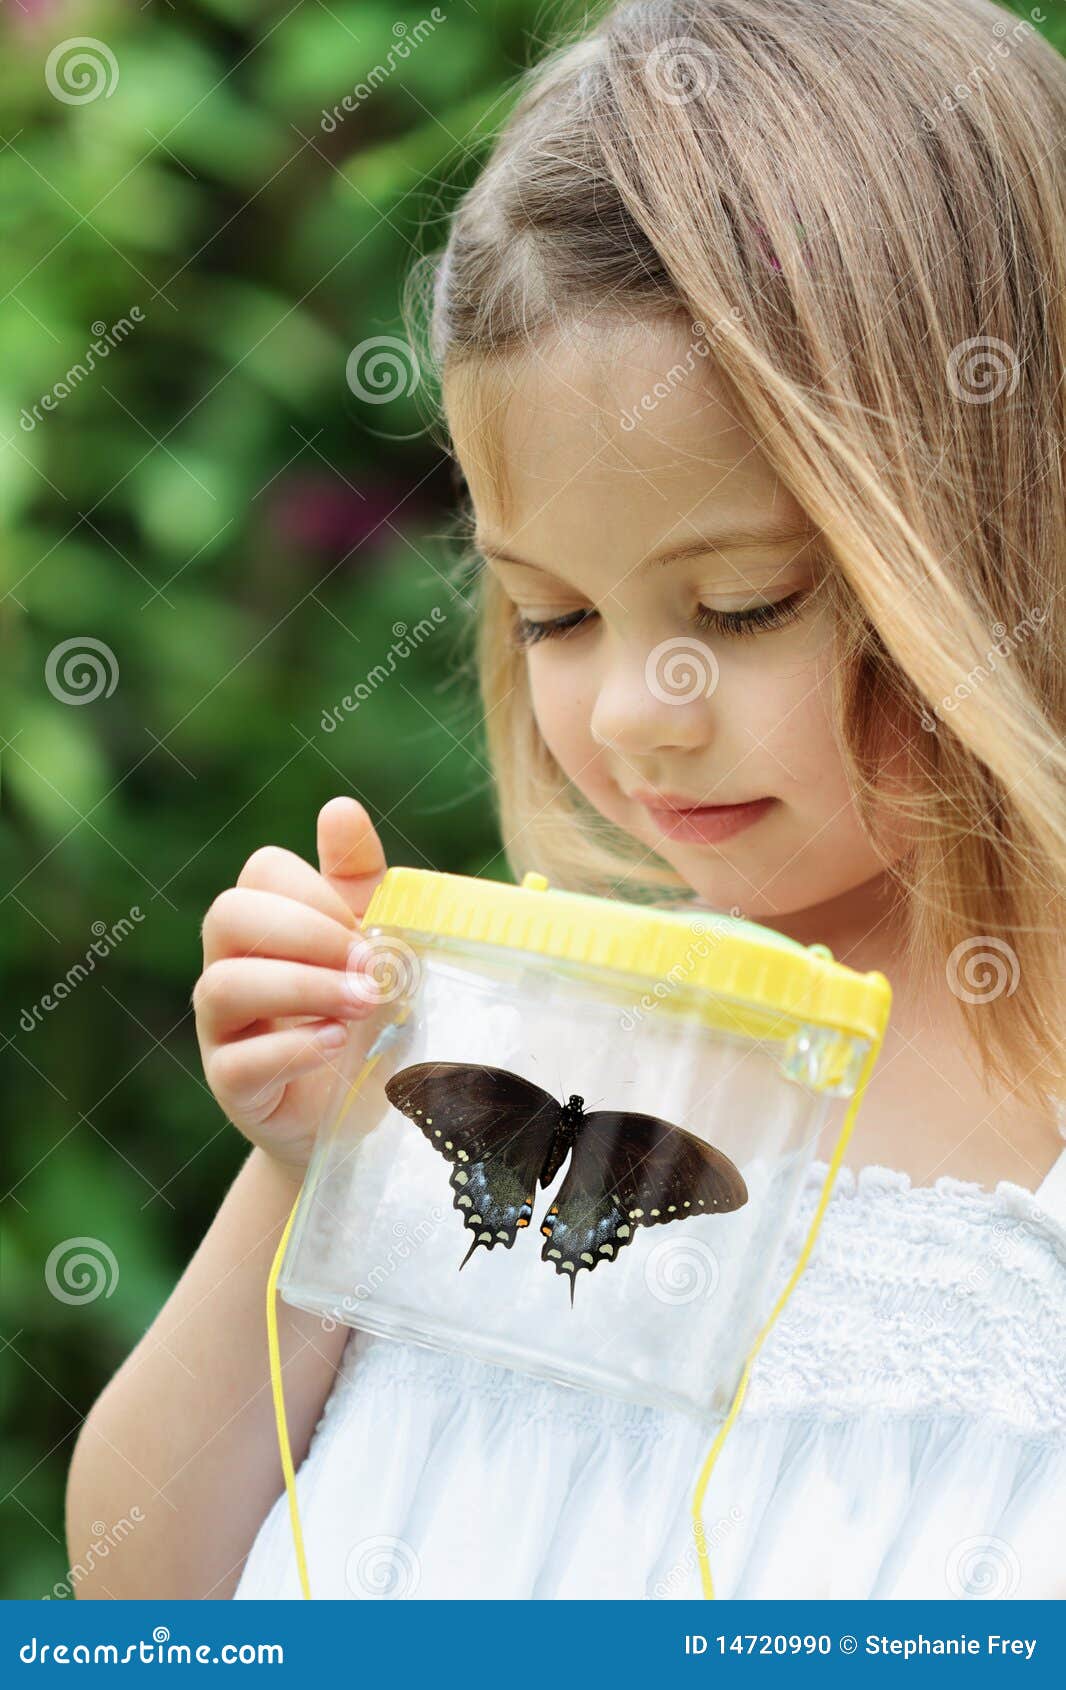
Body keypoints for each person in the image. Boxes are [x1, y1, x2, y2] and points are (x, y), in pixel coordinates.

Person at [66, 0, 1065, 1598]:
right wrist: (304, 1171)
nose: (627, 714)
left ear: (1008, 525)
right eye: (551, 614)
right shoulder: (508, 1038)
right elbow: (150, 1585)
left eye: (739, 607)